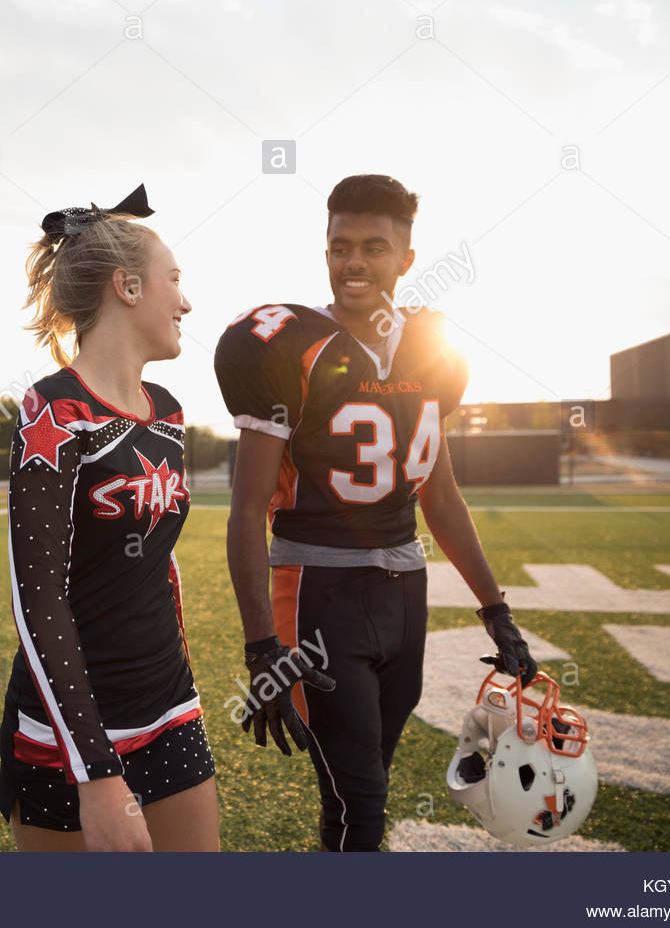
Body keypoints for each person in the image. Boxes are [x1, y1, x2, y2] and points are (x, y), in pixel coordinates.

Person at [212, 173, 537, 852]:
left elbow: (440, 496)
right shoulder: (287, 344)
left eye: (373, 248)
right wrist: (261, 648)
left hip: (404, 588)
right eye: (339, 247)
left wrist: (495, 608)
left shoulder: (431, 350)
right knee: (361, 802)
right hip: (318, 592)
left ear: (406, 258)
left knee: (360, 793)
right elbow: (246, 511)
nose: (353, 263)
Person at [0, 185, 218, 852]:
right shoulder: (54, 412)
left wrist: (182, 678)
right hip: (69, 733)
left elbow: (158, 565)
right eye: (173, 281)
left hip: (171, 708)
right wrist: (93, 771)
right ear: (127, 287)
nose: (185, 301)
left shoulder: (170, 411)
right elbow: (38, 600)